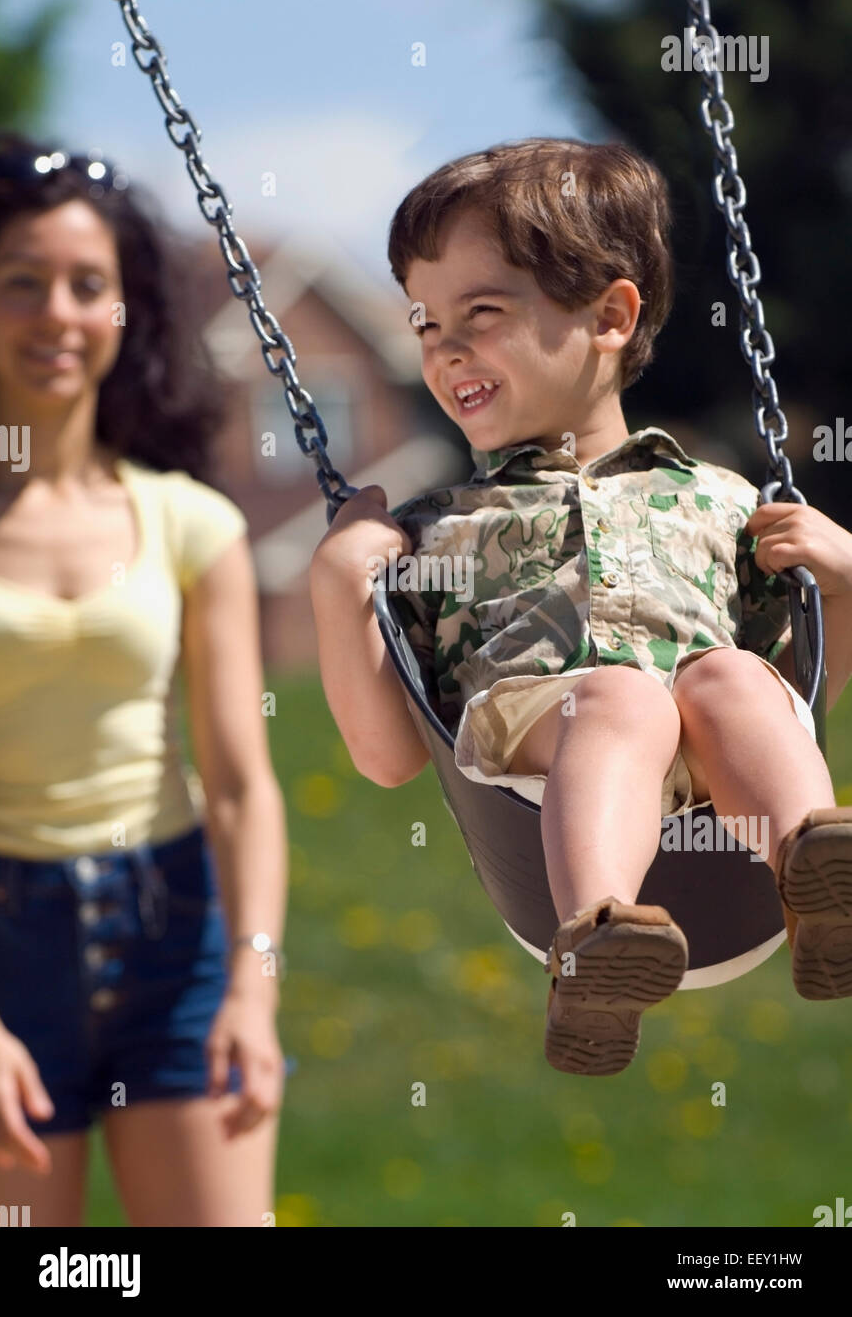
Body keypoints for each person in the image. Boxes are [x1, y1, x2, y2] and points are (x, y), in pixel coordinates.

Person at [310, 137, 852, 1077]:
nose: (444, 347)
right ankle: (598, 943)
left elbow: (804, 696)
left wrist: (841, 585)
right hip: (534, 741)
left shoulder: (721, 499)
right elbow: (388, 756)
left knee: (731, 677)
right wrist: (338, 587)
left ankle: (819, 883)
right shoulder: (433, 530)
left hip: (710, 799)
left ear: (609, 315)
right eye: (425, 321)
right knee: (617, 698)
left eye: (480, 312)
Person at [0, 133, 287, 1224]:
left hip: (175, 932)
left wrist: (252, 985)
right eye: (21, 282)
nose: (57, 314)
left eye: (87, 285)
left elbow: (242, 787)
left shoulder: (189, 524)